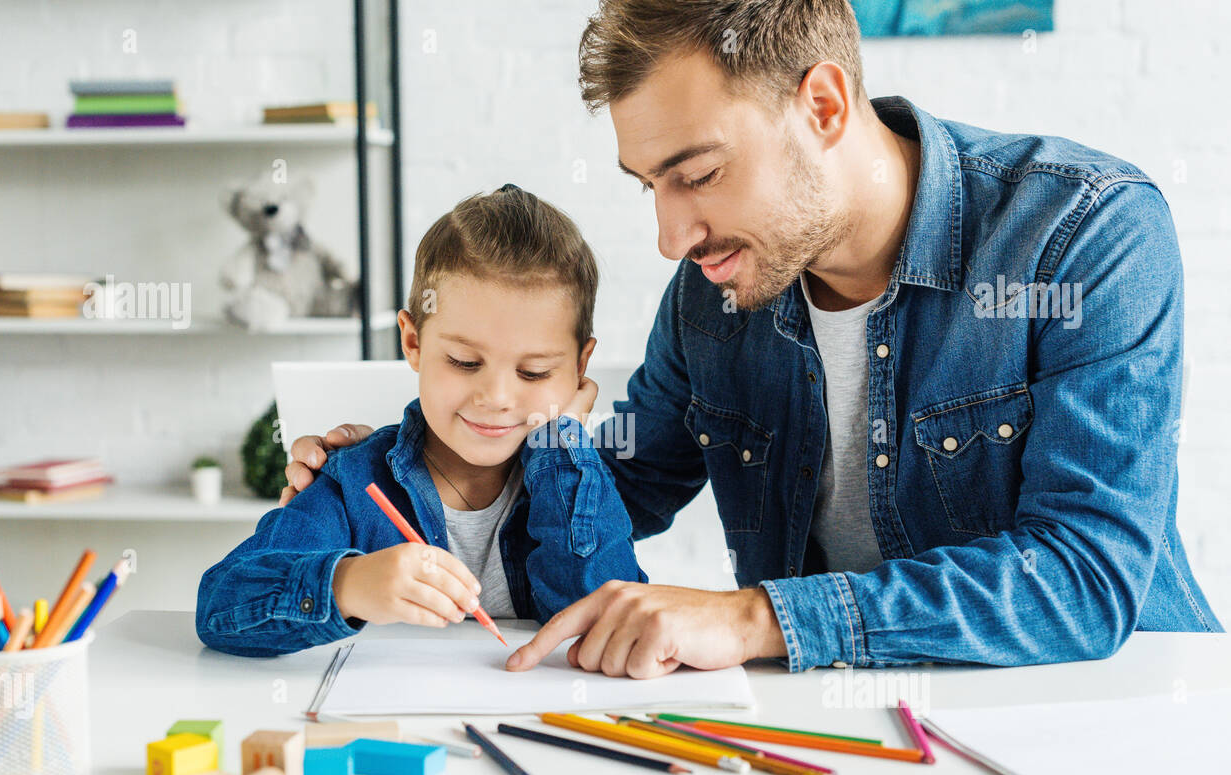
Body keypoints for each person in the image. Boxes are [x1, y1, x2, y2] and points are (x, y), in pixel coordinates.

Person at [281, 0, 1222, 676]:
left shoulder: (1084, 235)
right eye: (649, 184)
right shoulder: (710, 295)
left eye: (697, 174)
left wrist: (756, 617)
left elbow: (1086, 576)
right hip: (836, 735)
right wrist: (418, 474)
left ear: (823, 106)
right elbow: (609, 487)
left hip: (1109, 724)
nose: (669, 236)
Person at [196, 185, 646, 656]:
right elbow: (221, 607)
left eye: (533, 372)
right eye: (464, 362)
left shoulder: (579, 480)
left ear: (579, 366)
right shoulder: (355, 482)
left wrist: (561, 448)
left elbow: (608, 627)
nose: (495, 397)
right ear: (412, 342)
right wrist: (348, 584)